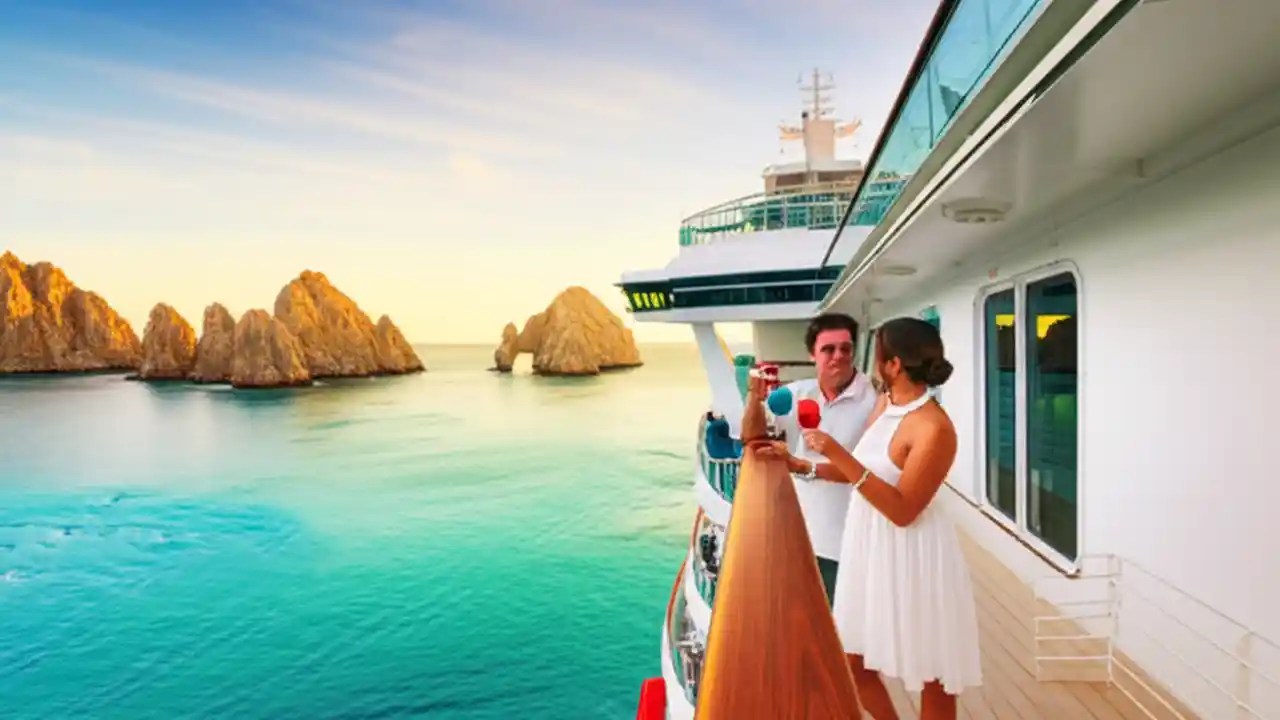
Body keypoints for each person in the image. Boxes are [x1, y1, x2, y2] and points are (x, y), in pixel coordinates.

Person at [792, 317, 982, 720]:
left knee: (934, 671)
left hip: (915, 552)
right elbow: (861, 471)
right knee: (853, 658)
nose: (868, 362)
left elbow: (903, 510)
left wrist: (834, 451)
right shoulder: (886, 403)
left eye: (876, 354)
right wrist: (799, 464)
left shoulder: (935, 428)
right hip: (868, 547)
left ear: (894, 364)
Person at [740, 312, 877, 605]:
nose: (838, 356)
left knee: (843, 630)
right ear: (812, 354)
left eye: (846, 349)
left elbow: (870, 473)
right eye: (828, 349)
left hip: (850, 540)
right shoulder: (795, 394)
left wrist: (803, 466)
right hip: (799, 534)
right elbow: (751, 437)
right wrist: (755, 394)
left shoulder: (874, 401)